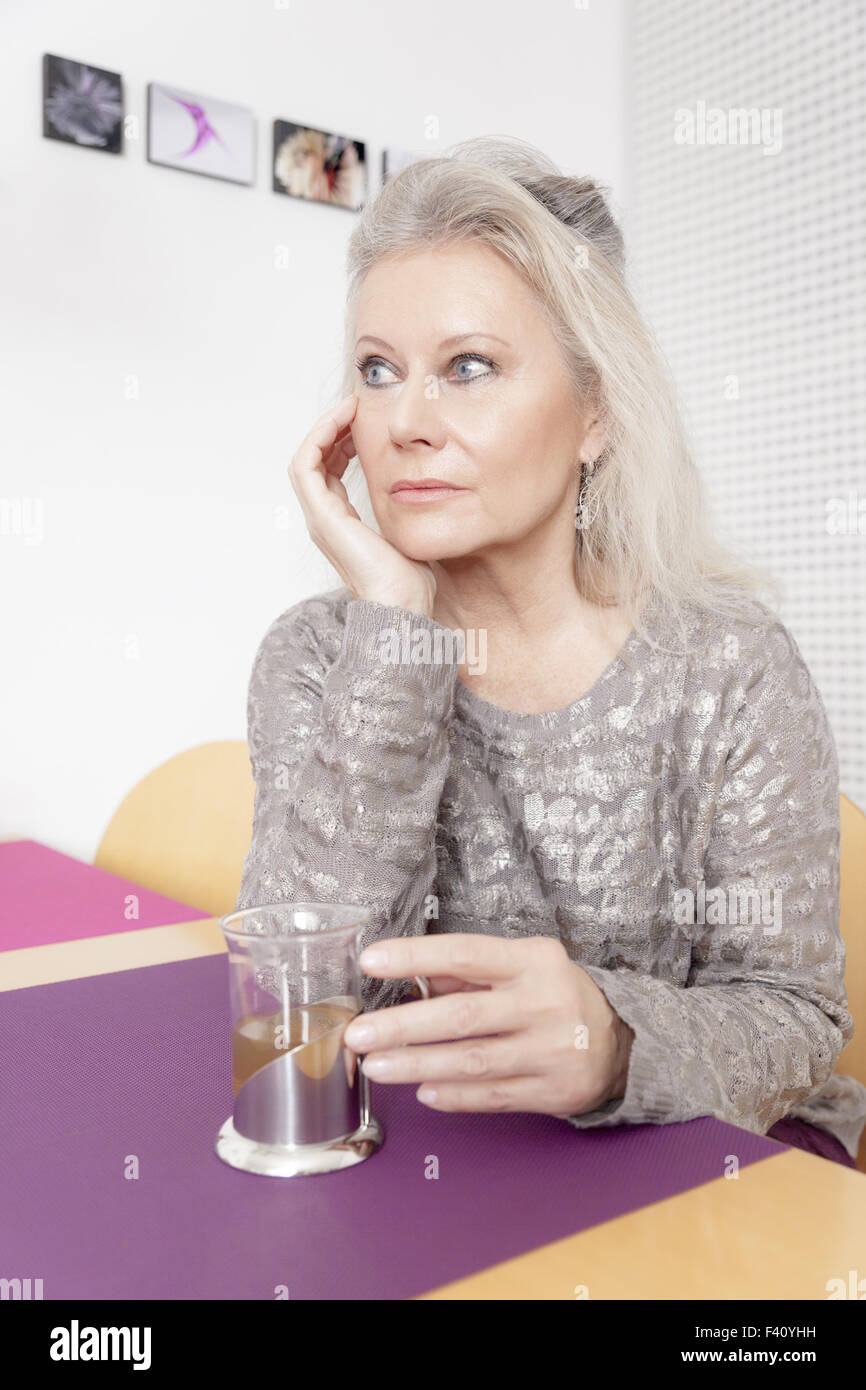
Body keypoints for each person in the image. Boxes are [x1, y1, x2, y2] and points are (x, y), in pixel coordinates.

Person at [236, 135, 866, 1170]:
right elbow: (297, 993)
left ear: (596, 412)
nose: (404, 421)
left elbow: (793, 1020)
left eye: (467, 367)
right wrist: (395, 626)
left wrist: (612, 1043)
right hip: (430, 1177)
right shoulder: (321, 657)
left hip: (709, 1172)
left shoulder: (728, 666)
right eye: (377, 372)